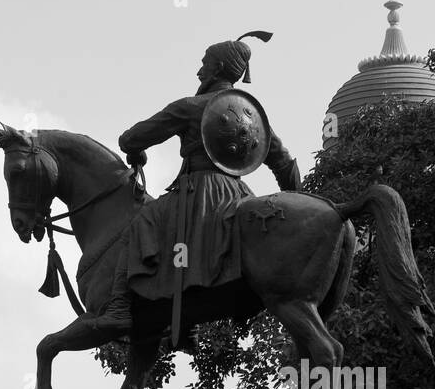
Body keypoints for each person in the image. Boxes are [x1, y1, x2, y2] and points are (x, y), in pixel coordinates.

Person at [101, 33, 300, 351]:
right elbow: (285, 162)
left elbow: (131, 139)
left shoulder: (190, 107)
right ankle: (188, 321)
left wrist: (135, 149)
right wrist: (296, 202)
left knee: (144, 221)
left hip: (200, 192)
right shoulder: (253, 116)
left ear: (218, 67)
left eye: (204, 64)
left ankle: (118, 309)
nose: (199, 72)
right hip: (238, 194)